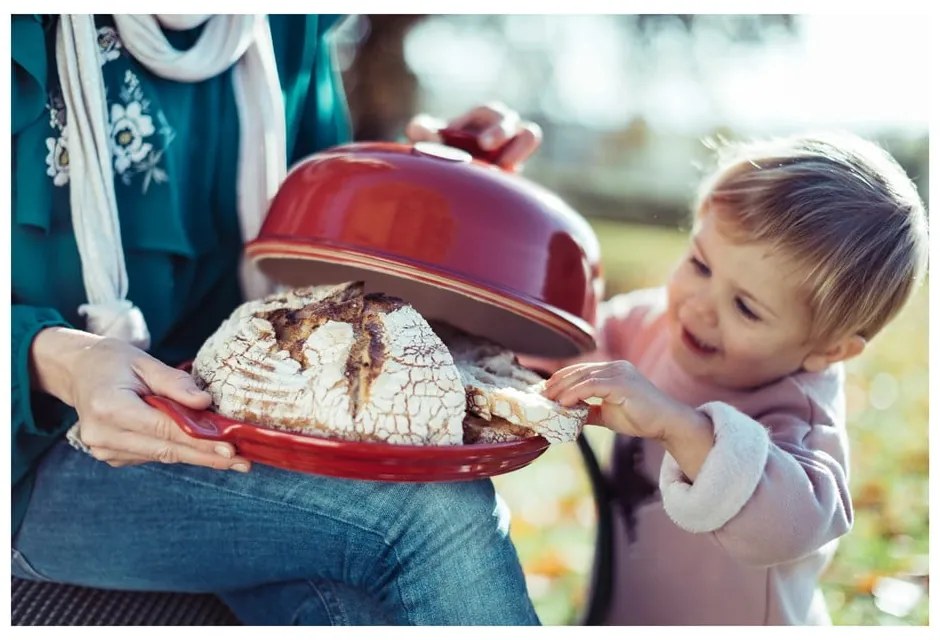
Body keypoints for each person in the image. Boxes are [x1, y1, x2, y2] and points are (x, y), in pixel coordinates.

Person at [11, 14, 544, 625]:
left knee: (366, 609)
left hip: (249, 413)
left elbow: (312, 251)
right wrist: (63, 361)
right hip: (37, 443)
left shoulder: (280, 24)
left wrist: (428, 182)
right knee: (430, 511)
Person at [535, 132, 928, 624]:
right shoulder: (658, 323)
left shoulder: (797, 413)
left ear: (827, 350)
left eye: (745, 307)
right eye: (701, 265)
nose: (700, 306)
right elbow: (581, 343)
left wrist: (678, 428)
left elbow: (790, 526)